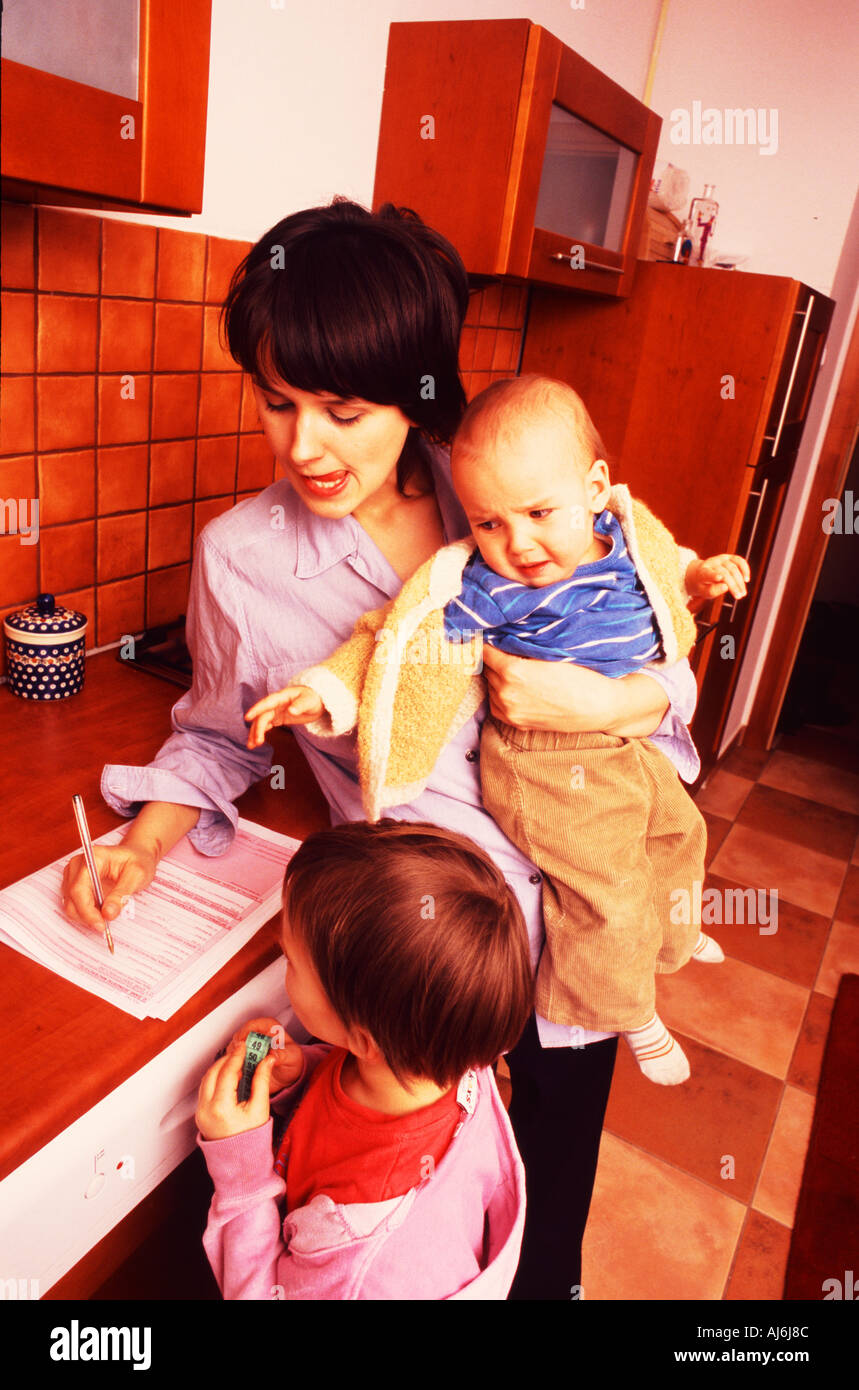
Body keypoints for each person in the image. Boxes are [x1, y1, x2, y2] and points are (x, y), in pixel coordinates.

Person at [60, 198, 706, 1299]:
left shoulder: (507, 494)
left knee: (543, 1219)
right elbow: (216, 734)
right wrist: (147, 842)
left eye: (343, 409)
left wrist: (617, 706)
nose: (302, 445)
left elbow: (665, 701)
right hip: (427, 968)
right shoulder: (239, 560)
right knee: (398, 1225)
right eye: (276, 403)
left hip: (584, 927)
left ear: (415, 391)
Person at [245, 375, 750, 1086]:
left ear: (596, 488)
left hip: (620, 749)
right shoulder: (484, 586)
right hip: (541, 765)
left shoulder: (626, 542)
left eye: (540, 512)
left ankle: (670, 933)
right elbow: (392, 638)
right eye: (488, 524)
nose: (518, 543)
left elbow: (671, 576)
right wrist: (321, 688)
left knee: (677, 835)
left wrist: (702, 578)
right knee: (604, 886)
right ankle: (626, 1009)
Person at [195, 818, 533, 1299]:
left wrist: (242, 1172)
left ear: (366, 1038)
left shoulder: (358, 1257)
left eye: (291, 960)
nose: (281, 952)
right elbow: (350, 1080)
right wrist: (305, 1072)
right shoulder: (447, 1054)